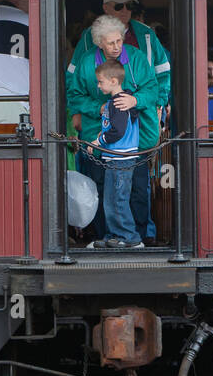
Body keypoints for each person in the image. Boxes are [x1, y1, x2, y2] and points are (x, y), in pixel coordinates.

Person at [66, 14, 160, 244]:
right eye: (111, 43)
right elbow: (74, 96)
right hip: (97, 138)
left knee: (137, 189)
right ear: (100, 43)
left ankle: (140, 238)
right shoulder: (87, 62)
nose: (117, 47)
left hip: (135, 140)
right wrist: (97, 107)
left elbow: (153, 90)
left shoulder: (137, 58)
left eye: (119, 41)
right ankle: (106, 237)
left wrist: (134, 101)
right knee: (101, 191)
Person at [88, 60, 143, 249]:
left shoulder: (117, 103)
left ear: (113, 81)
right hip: (117, 157)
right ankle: (115, 234)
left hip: (120, 158)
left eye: (100, 81)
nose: (98, 85)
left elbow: (117, 131)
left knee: (117, 200)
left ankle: (130, 237)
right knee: (111, 199)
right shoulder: (121, 100)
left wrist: (99, 141)